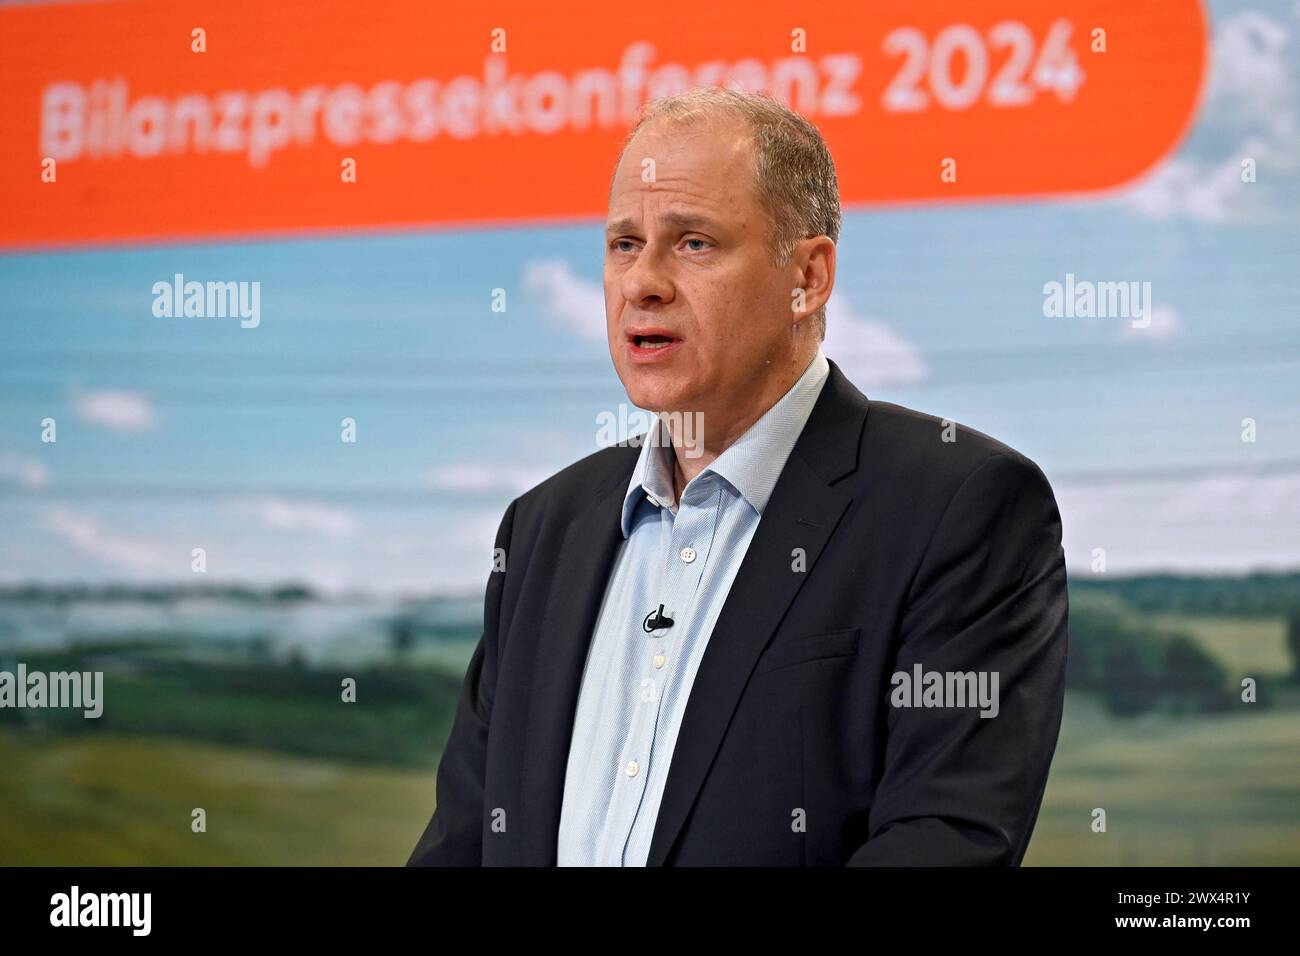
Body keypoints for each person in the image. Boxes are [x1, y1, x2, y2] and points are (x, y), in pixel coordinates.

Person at [407, 86, 1068, 866]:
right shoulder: (543, 528)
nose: (642, 282)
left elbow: (942, 841)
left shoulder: (960, 507)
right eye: (624, 244)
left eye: (693, 243)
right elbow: (462, 842)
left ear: (809, 277)